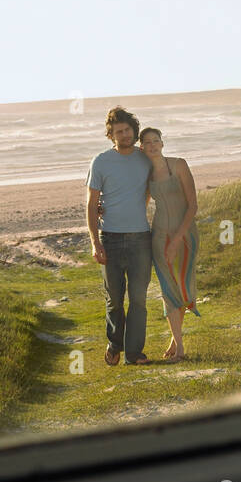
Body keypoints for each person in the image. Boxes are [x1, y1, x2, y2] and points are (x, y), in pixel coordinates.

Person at [87, 107, 153, 366]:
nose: (124, 135)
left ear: (134, 131)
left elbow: (153, 187)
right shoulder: (100, 162)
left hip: (141, 238)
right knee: (114, 298)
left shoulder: (145, 158)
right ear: (111, 135)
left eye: (127, 130)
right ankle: (115, 342)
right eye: (118, 132)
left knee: (138, 298)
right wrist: (95, 242)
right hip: (110, 238)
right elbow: (92, 205)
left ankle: (134, 353)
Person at [139, 127, 199, 363]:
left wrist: (177, 240)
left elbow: (193, 206)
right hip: (159, 236)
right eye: (147, 142)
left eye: (156, 140)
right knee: (168, 290)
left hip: (186, 234)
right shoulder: (146, 176)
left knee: (182, 286)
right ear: (142, 148)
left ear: (162, 143)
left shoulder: (179, 165)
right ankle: (180, 348)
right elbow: (140, 206)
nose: (152, 145)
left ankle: (175, 342)